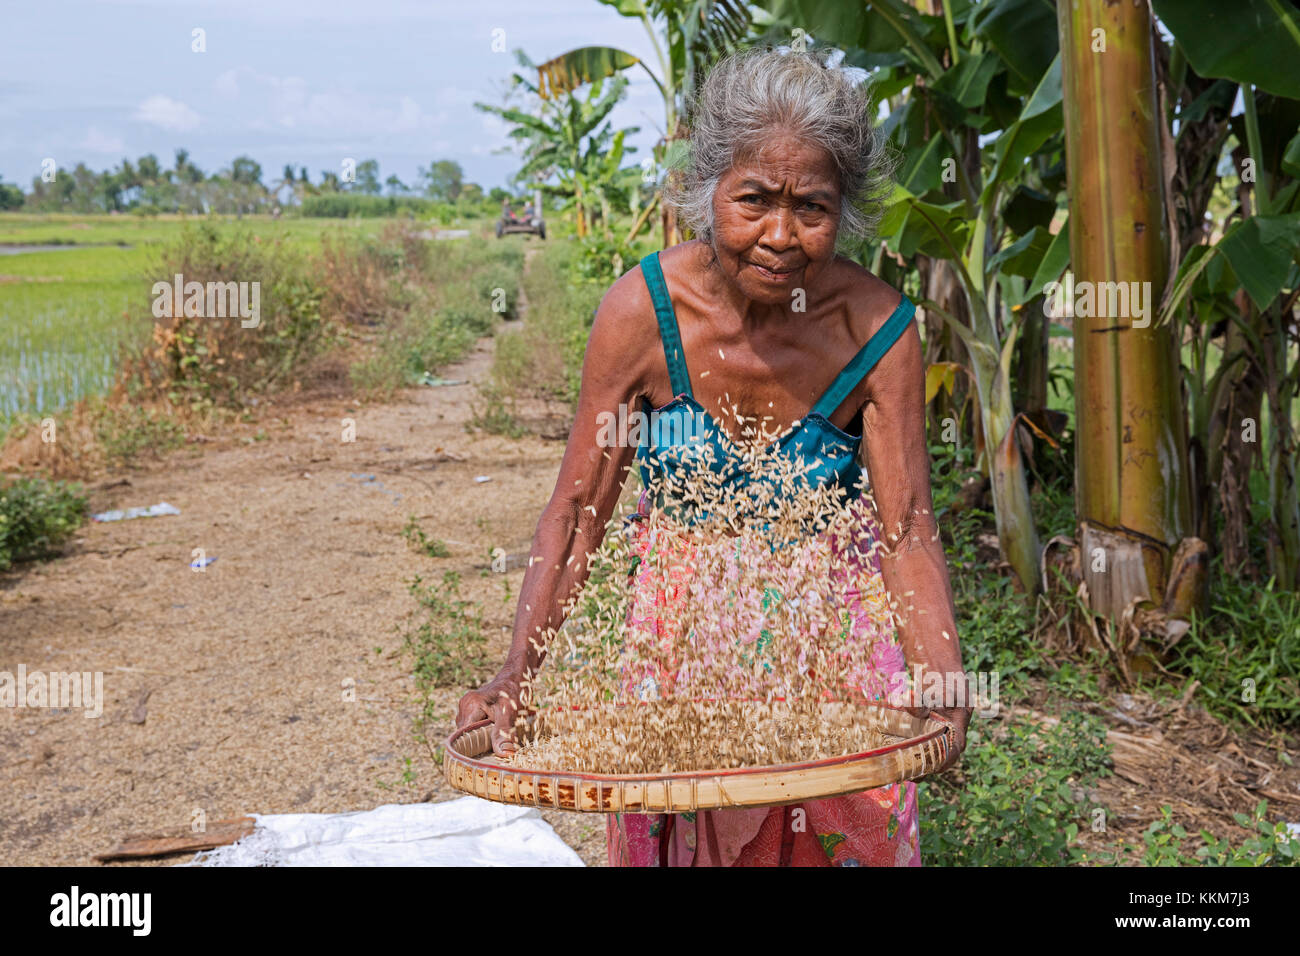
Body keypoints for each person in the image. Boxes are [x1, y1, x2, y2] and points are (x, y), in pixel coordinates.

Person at [457, 47, 970, 867]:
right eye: (754, 201)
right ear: (708, 191)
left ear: (846, 211)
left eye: (812, 207)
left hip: (829, 641)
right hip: (681, 636)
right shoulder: (643, 313)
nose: (780, 236)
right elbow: (579, 515)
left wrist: (942, 675)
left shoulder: (877, 330)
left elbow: (907, 527)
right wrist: (515, 675)